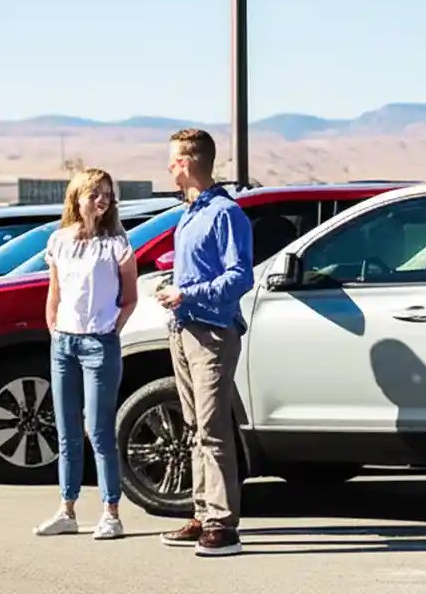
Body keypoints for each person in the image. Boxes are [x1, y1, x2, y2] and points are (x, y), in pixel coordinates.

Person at [155, 128, 255, 557]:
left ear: (189, 162)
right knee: (195, 426)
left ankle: (223, 525)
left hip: (212, 332)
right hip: (182, 328)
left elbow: (239, 277)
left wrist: (188, 293)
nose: (169, 167)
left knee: (213, 429)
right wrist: (174, 288)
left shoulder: (225, 214)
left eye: (173, 160)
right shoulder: (190, 213)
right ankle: (202, 513)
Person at [33, 168, 139, 540]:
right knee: (66, 431)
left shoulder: (117, 243)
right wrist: (53, 327)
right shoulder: (59, 240)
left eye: (108, 194)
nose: (103, 200)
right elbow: (55, 290)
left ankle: (111, 512)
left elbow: (130, 296)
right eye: (95, 194)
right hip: (63, 342)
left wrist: (113, 327)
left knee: (98, 429)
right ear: (78, 198)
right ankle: (67, 509)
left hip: (100, 343)